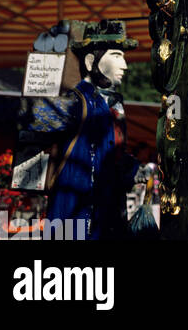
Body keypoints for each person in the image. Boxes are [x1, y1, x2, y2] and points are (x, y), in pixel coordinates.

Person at [17, 21, 143, 241]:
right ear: (90, 61)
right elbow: (32, 120)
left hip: (107, 214)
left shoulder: (114, 104)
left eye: (123, 56)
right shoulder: (77, 101)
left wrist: (131, 169)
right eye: (115, 55)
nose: (124, 65)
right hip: (76, 210)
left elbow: (113, 156)